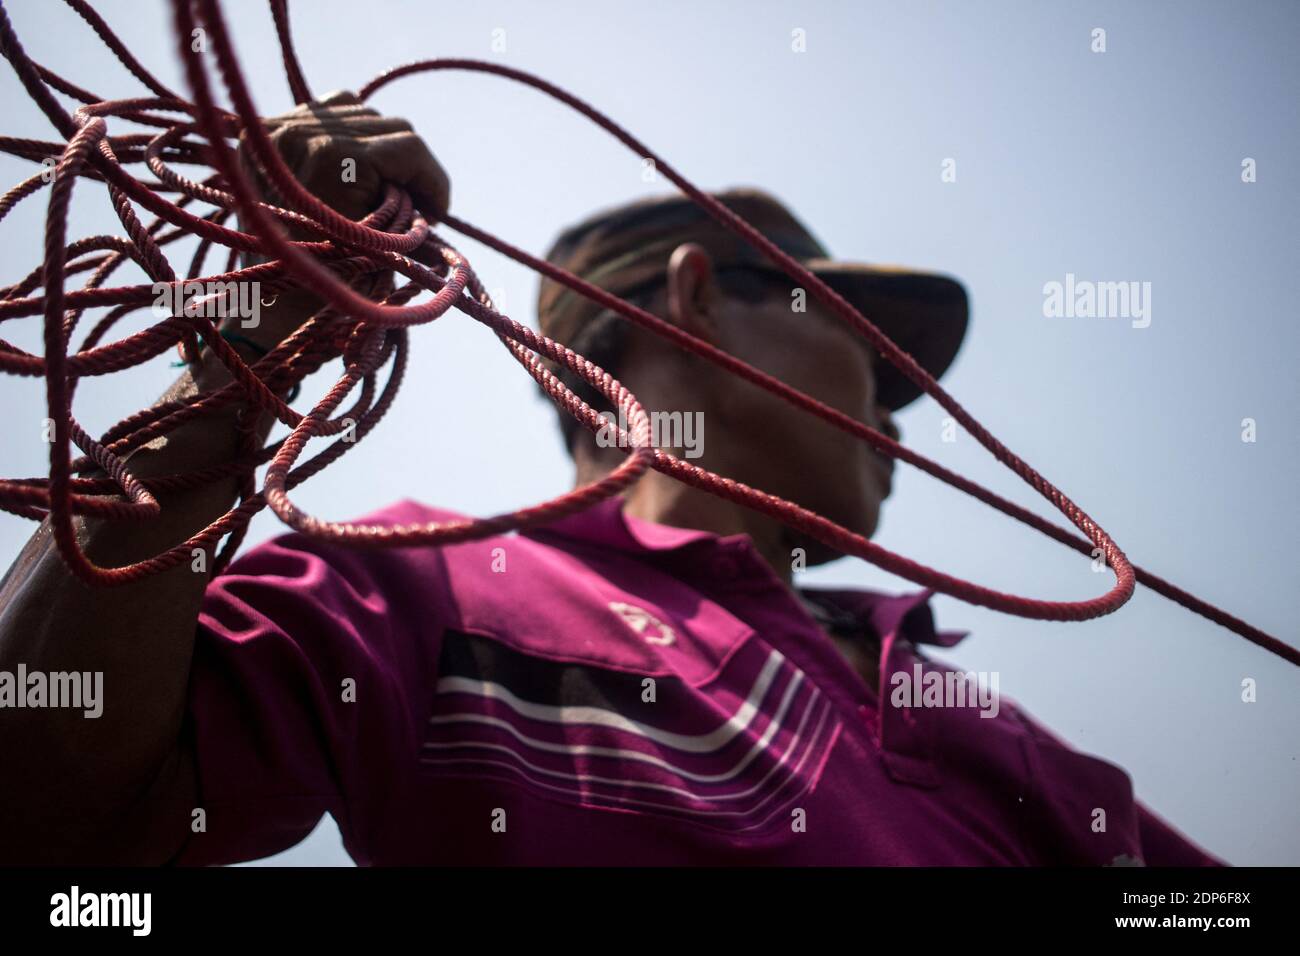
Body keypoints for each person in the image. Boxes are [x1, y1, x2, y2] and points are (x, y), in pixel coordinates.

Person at [0, 94, 1220, 866]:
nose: (894, 412)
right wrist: (230, 377)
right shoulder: (412, 584)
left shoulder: (973, 711)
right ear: (696, 300)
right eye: (871, 346)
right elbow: (49, 814)